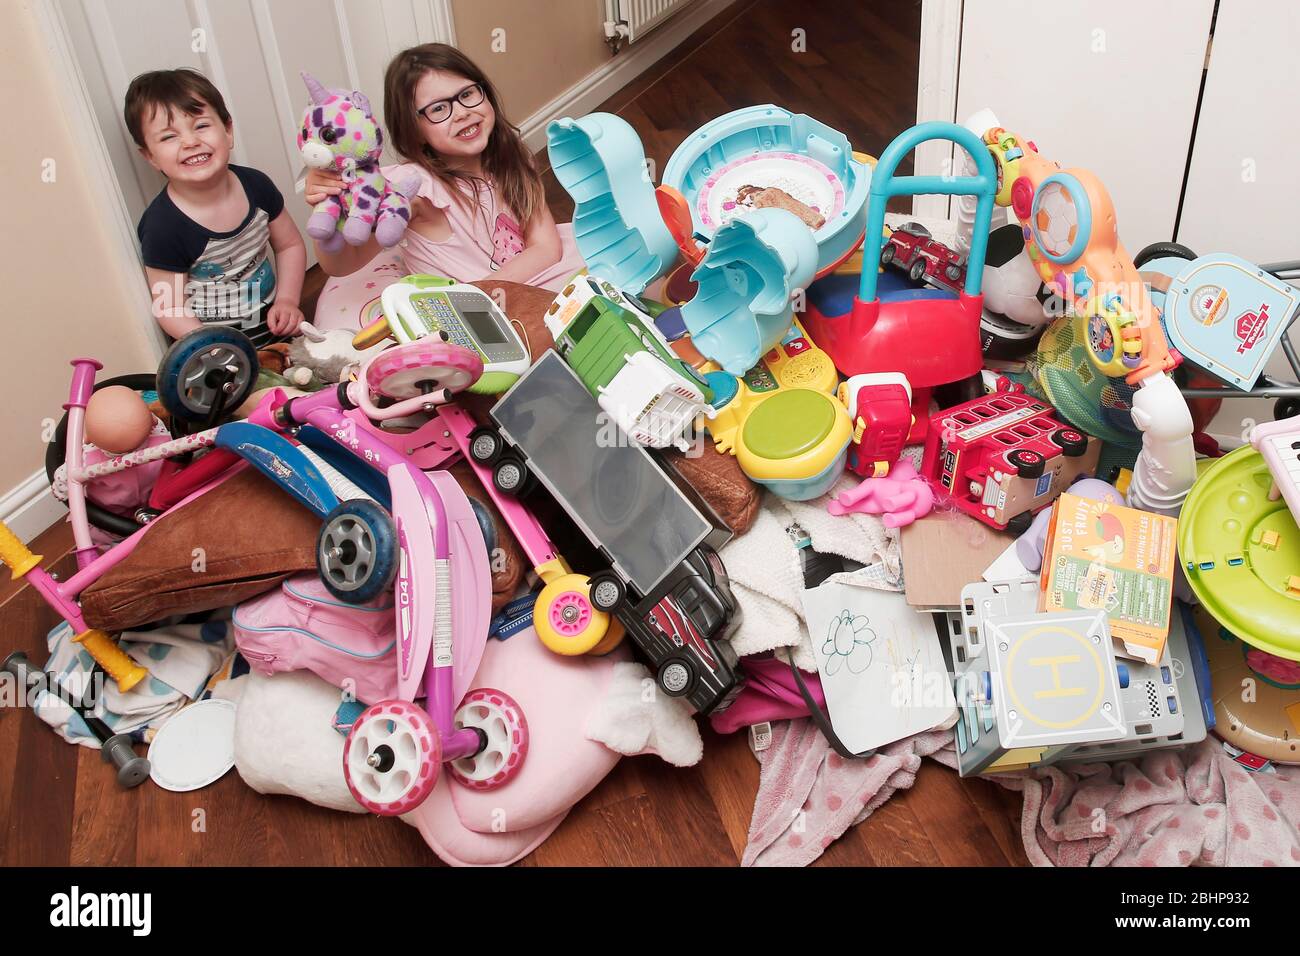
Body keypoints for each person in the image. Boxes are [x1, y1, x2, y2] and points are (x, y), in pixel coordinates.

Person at [305, 43, 585, 292]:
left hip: (523, 279)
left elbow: (546, 246)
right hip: (475, 311)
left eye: (467, 94)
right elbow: (342, 264)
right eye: (438, 109)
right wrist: (327, 208)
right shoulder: (415, 189)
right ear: (412, 130)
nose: (462, 112)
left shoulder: (511, 155)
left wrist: (496, 291)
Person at [126, 69, 306, 342]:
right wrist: (209, 344)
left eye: (200, 126)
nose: (190, 142)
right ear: (150, 156)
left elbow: (289, 245)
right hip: (214, 347)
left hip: (274, 321)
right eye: (168, 137)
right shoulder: (163, 226)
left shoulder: (256, 186)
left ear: (228, 131)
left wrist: (288, 301)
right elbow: (170, 308)